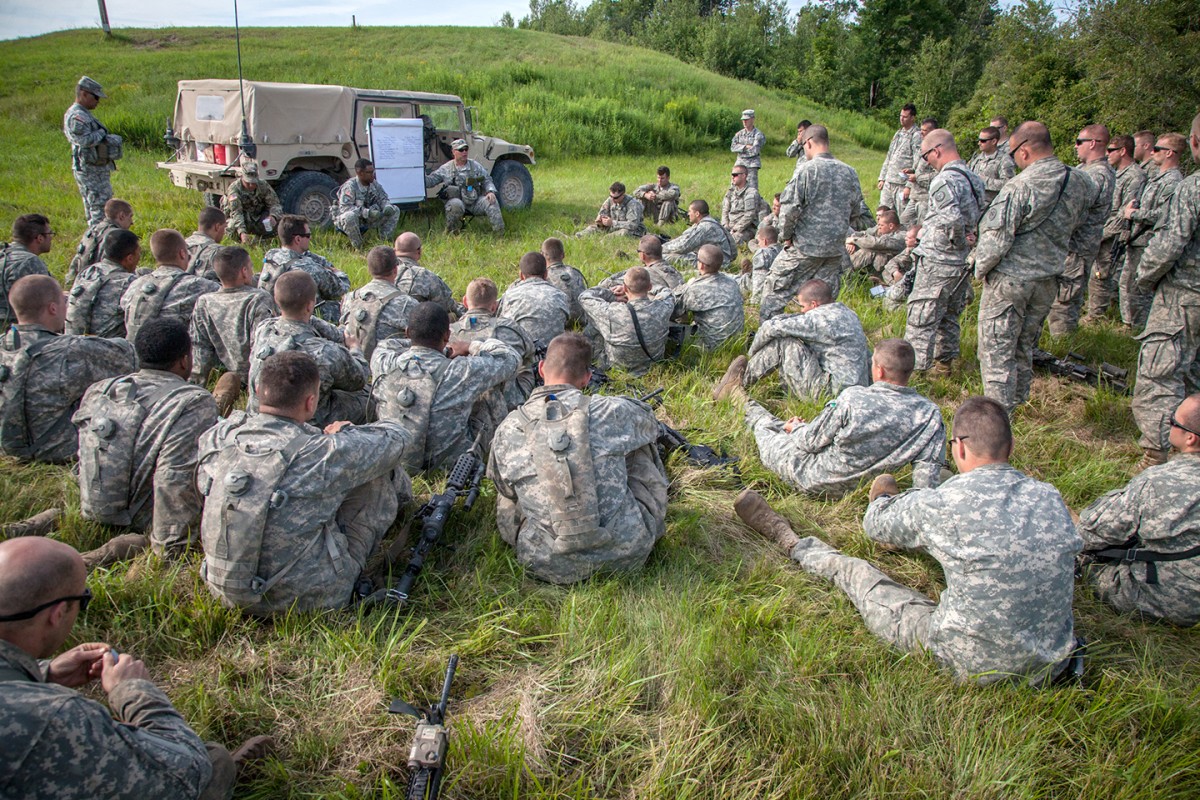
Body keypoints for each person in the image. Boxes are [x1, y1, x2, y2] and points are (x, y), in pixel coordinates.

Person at [739, 395, 1082, 686]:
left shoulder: (945, 503)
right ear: (1011, 446)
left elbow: (875, 526)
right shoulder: (1050, 497)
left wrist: (882, 501)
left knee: (857, 575)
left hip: (970, 661)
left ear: (960, 449)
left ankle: (792, 542)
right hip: (1053, 663)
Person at [0, 536, 270, 799]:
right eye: (83, 599)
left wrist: (44, 673)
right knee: (213, 763)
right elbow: (186, 769)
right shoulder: (56, 718)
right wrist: (134, 692)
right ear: (57, 614)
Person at [197, 350, 411, 615]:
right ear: (311, 402)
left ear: (257, 391)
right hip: (307, 599)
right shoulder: (322, 452)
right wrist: (346, 431)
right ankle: (406, 512)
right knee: (379, 474)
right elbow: (399, 438)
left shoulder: (218, 438)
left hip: (222, 590)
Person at [487, 332, 668, 584]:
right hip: (628, 553)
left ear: (541, 368)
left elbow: (504, 487)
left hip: (544, 562)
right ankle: (639, 525)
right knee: (639, 445)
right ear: (587, 377)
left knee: (506, 490)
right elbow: (651, 424)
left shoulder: (508, 427)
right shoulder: (611, 410)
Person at [974, 121, 1095, 413]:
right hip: (1048, 278)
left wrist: (979, 269)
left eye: (1012, 152)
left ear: (1024, 151)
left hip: (1010, 280)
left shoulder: (1021, 185)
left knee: (996, 351)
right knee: (1024, 345)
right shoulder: (1080, 182)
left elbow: (997, 239)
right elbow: (1087, 225)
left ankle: (999, 418)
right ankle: (1018, 401)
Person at [72, 318, 218, 562]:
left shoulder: (101, 389)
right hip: (145, 515)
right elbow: (175, 475)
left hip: (95, 503)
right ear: (185, 360)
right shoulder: (192, 401)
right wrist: (170, 547)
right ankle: (113, 551)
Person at [730, 339, 944, 496]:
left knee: (765, 428)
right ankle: (764, 413)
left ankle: (736, 397)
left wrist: (797, 429)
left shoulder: (854, 398)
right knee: (787, 428)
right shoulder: (930, 415)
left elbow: (810, 441)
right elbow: (926, 479)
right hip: (864, 488)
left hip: (811, 476)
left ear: (878, 370)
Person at [1077, 393, 1200, 627]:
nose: (1169, 423)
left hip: (1173, 600)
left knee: (1083, 557)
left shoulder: (1158, 481)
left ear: (1190, 438)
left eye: (1174, 421)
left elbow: (1092, 533)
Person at [371, 301, 519, 472]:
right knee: (490, 391)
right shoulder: (461, 370)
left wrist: (423, 344)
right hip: (451, 464)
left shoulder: (383, 362)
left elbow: (387, 344)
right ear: (447, 335)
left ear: (408, 332)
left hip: (394, 460)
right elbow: (510, 358)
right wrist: (469, 346)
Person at [0, 275, 133, 464]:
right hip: (55, 448)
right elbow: (129, 356)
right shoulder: (69, 350)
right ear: (53, 308)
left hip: (6, 444)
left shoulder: (4, 345)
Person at [1130, 114, 1200, 468]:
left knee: (1161, 375)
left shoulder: (1192, 187)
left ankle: (1158, 457)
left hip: (1183, 297)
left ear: (1195, 142)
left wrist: (1144, 278)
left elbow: (1169, 243)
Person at [761, 125, 871, 319]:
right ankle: (820, 332)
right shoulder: (850, 172)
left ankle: (768, 332)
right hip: (834, 250)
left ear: (809, 143)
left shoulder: (807, 170)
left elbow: (789, 209)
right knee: (822, 299)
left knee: (774, 290)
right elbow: (855, 212)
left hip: (805, 246)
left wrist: (786, 237)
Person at [905, 129, 987, 374]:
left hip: (939, 259)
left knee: (922, 316)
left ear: (937, 150)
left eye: (925, 156)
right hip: (959, 262)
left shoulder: (944, 180)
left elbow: (951, 219)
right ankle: (944, 364)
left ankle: (914, 371)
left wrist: (960, 240)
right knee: (949, 314)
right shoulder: (974, 178)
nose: (926, 162)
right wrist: (969, 240)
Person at [248, 271, 369, 428]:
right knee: (367, 396)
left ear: (276, 301)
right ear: (311, 305)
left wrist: (335, 332)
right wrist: (354, 348)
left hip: (260, 414)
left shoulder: (264, 328)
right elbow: (359, 378)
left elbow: (305, 322)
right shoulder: (325, 352)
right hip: (305, 422)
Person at [718, 278, 870, 400]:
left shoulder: (818, 320)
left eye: (802, 306)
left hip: (831, 393)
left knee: (784, 343)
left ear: (814, 304)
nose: (802, 311)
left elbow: (770, 327)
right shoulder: (849, 314)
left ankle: (736, 382)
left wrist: (752, 353)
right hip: (856, 392)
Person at [189, 246, 277, 415]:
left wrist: (195, 387)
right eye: (250, 267)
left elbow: (200, 348)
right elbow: (262, 346)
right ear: (244, 271)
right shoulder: (258, 299)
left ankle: (211, 402)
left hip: (227, 366)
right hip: (253, 372)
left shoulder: (204, 302)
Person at [1047, 125, 1117, 337]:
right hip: (1071, 245)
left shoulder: (1097, 175)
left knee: (1065, 301)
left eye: (1079, 142)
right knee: (1060, 298)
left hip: (1077, 247)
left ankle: (1062, 347)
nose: (1075, 146)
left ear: (1093, 143)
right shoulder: (1085, 170)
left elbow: (1077, 211)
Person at [1121, 131, 1185, 329]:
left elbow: (1164, 215)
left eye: (1157, 149)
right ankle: (1130, 326)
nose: (1153, 152)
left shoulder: (1172, 181)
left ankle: (1140, 329)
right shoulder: (1157, 177)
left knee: (1140, 289)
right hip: (1138, 239)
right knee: (1129, 285)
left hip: (1149, 241)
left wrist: (1134, 214)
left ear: (1170, 153)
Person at [1082, 134, 1147, 324]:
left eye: (1111, 150)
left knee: (1102, 274)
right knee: (1096, 273)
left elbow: (1125, 212)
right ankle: (1095, 308)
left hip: (1115, 234)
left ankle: (1096, 316)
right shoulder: (1114, 172)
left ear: (1123, 151)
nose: (1107, 154)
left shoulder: (1135, 176)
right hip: (1104, 228)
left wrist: (1102, 234)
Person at [451, 277, 537, 412]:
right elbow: (531, 352)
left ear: (465, 302)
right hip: (509, 406)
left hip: (461, 406)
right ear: (494, 306)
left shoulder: (448, 333)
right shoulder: (510, 327)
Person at [121, 229, 219, 344]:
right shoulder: (196, 285)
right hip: (173, 352)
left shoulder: (135, 284)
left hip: (135, 350)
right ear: (182, 254)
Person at [579, 266, 675, 377]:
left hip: (615, 366)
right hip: (653, 362)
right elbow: (667, 291)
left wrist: (611, 294)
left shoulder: (612, 311)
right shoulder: (663, 306)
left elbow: (584, 296)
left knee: (595, 321)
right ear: (650, 286)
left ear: (625, 288)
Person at [261, 215, 349, 324]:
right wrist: (338, 273)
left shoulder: (270, 255)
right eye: (308, 235)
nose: (310, 238)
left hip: (275, 312)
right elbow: (341, 289)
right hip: (305, 317)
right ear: (298, 239)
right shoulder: (310, 269)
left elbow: (305, 255)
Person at [340, 246, 418, 361]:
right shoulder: (407, 303)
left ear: (369, 270)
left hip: (354, 362)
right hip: (386, 366)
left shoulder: (350, 297)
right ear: (395, 270)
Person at [63, 76, 121, 224]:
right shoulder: (77, 116)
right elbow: (84, 140)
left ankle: (97, 234)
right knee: (99, 209)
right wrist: (102, 133)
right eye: (95, 97)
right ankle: (98, 236)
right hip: (91, 170)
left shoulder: (83, 113)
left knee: (98, 207)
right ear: (84, 94)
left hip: (95, 168)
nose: (98, 101)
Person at [65, 227, 140, 339]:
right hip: (105, 345)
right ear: (129, 258)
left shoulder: (88, 272)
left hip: (74, 340)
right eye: (138, 253)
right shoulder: (129, 282)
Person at [673, 243, 744, 351]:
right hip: (737, 341)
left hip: (710, 347)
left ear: (701, 265)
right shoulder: (732, 283)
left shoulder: (694, 288)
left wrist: (687, 286)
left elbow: (672, 311)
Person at [424, 138, 504, 233]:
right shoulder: (446, 168)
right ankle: (452, 232)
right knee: (455, 204)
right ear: (454, 152)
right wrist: (420, 171)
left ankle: (500, 233)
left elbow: (487, 180)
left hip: (475, 201)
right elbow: (430, 182)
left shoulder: (475, 166)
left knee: (492, 201)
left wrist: (490, 191)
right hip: (457, 202)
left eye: (466, 149)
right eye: (461, 150)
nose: (464, 152)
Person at [496, 252, 571, 349]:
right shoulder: (561, 296)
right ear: (546, 274)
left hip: (522, 354)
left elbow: (503, 327)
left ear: (521, 276)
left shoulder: (510, 296)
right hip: (554, 354)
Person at [1, 214, 54, 331]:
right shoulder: (30, 262)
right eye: (50, 233)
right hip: (14, 330)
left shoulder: (3, 254)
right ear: (40, 238)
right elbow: (48, 301)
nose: (51, 238)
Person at [333, 158, 401, 248]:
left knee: (395, 210)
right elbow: (345, 208)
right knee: (349, 216)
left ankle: (384, 241)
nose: (373, 175)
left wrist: (386, 206)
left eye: (373, 172)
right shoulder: (350, 186)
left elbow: (383, 198)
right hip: (352, 220)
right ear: (360, 173)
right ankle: (358, 246)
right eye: (369, 172)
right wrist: (367, 212)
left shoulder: (373, 183)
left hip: (369, 218)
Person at [67, 198, 133, 285]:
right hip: (100, 284)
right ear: (122, 216)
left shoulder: (92, 231)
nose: (132, 222)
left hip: (82, 281)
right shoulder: (117, 237)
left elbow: (77, 260)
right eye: (130, 216)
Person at [392, 232, 459, 315]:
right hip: (416, 320)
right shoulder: (425, 276)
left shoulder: (383, 272)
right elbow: (447, 306)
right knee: (451, 316)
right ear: (419, 251)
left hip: (384, 320)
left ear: (394, 251)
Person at [662, 199, 735, 269]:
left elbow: (683, 246)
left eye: (690, 211)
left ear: (697, 214)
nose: (688, 214)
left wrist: (660, 249)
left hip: (716, 264)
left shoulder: (705, 227)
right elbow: (683, 238)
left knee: (663, 257)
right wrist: (664, 246)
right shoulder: (704, 223)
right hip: (712, 259)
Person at [877, 103, 922, 215]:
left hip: (902, 184)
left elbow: (917, 163)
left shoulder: (916, 135)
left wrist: (909, 186)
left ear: (912, 118)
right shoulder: (898, 134)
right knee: (884, 214)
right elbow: (889, 156)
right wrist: (882, 178)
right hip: (889, 182)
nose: (902, 119)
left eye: (905, 117)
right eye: (901, 116)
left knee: (902, 217)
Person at [598, 235, 684, 293]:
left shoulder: (643, 274)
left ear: (642, 255)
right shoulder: (674, 271)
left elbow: (607, 284)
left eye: (638, 251)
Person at [221, 161, 282, 243]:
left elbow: (275, 204)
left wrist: (273, 216)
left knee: (280, 221)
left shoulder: (263, 185)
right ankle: (240, 242)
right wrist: (242, 232)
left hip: (257, 217)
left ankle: (262, 240)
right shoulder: (234, 190)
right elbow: (236, 213)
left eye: (254, 183)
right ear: (242, 178)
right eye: (248, 183)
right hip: (242, 218)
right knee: (231, 226)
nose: (251, 185)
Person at [899, 117, 939, 227]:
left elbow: (938, 174)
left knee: (922, 227)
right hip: (914, 196)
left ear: (933, 131)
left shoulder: (937, 151)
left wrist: (917, 177)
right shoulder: (922, 147)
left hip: (925, 198)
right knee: (903, 222)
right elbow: (918, 168)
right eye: (921, 130)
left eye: (924, 131)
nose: (921, 133)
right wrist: (910, 171)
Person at [846, 208, 904, 279]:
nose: (879, 227)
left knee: (869, 251)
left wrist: (854, 240)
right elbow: (865, 233)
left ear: (891, 226)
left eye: (881, 225)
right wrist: (851, 241)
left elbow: (878, 244)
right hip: (884, 266)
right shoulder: (884, 228)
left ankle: (845, 270)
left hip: (893, 268)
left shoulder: (901, 236)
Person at [541, 237, 587, 325]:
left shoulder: (545, 276)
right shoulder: (575, 272)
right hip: (581, 320)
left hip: (560, 323)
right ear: (563, 255)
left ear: (543, 255)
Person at [967, 126, 1015, 208]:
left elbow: (1009, 184)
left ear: (994, 141)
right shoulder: (976, 159)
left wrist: (984, 181)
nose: (979, 143)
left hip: (992, 207)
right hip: (974, 205)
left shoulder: (1004, 160)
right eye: (979, 140)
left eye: (983, 141)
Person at [577, 182, 645, 238]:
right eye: (611, 196)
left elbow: (633, 224)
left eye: (615, 197)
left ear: (623, 195)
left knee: (621, 233)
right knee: (591, 228)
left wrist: (613, 223)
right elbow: (602, 213)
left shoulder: (633, 204)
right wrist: (600, 221)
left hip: (633, 230)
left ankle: (605, 241)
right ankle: (577, 237)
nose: (612, 199)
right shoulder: (610, 200)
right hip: (613, 227)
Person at [721, 166, 767, 246]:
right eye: (732, 175)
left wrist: (735, 229)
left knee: (731, 241)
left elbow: (749, 215)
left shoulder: (751, 193)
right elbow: (725, 210)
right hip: (730, 226)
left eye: (735, 175)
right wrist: (725, 226)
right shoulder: (731, 192)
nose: (732, 177)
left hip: (745, 229)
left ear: (744, 176)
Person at [184, 206, 228, 283]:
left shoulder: (181, 245)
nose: (224, 232)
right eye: (224, 228)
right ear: (217, 227)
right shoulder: (219, 251)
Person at [741, 223, 781, 303]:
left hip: (763, 287)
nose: (758, 244)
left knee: (731, 279)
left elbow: (759, 281)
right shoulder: (782, 250)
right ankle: (749, 271)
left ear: (764, 241)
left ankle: (747, 273)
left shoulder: (763, 253)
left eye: (759, 241)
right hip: (778, 286)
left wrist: (755, 301)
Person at [731, 109, 765, 189]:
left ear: (752, 119)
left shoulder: (758, 135)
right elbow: (733, 147)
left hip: (751, 165)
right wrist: (745, 146)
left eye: (747, 119)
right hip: (739, 164)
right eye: (743, 120)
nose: (744, 122)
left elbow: (754, 151)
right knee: (734, 187)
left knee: (751, 188)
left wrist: (740, 147)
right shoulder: (739, 134)